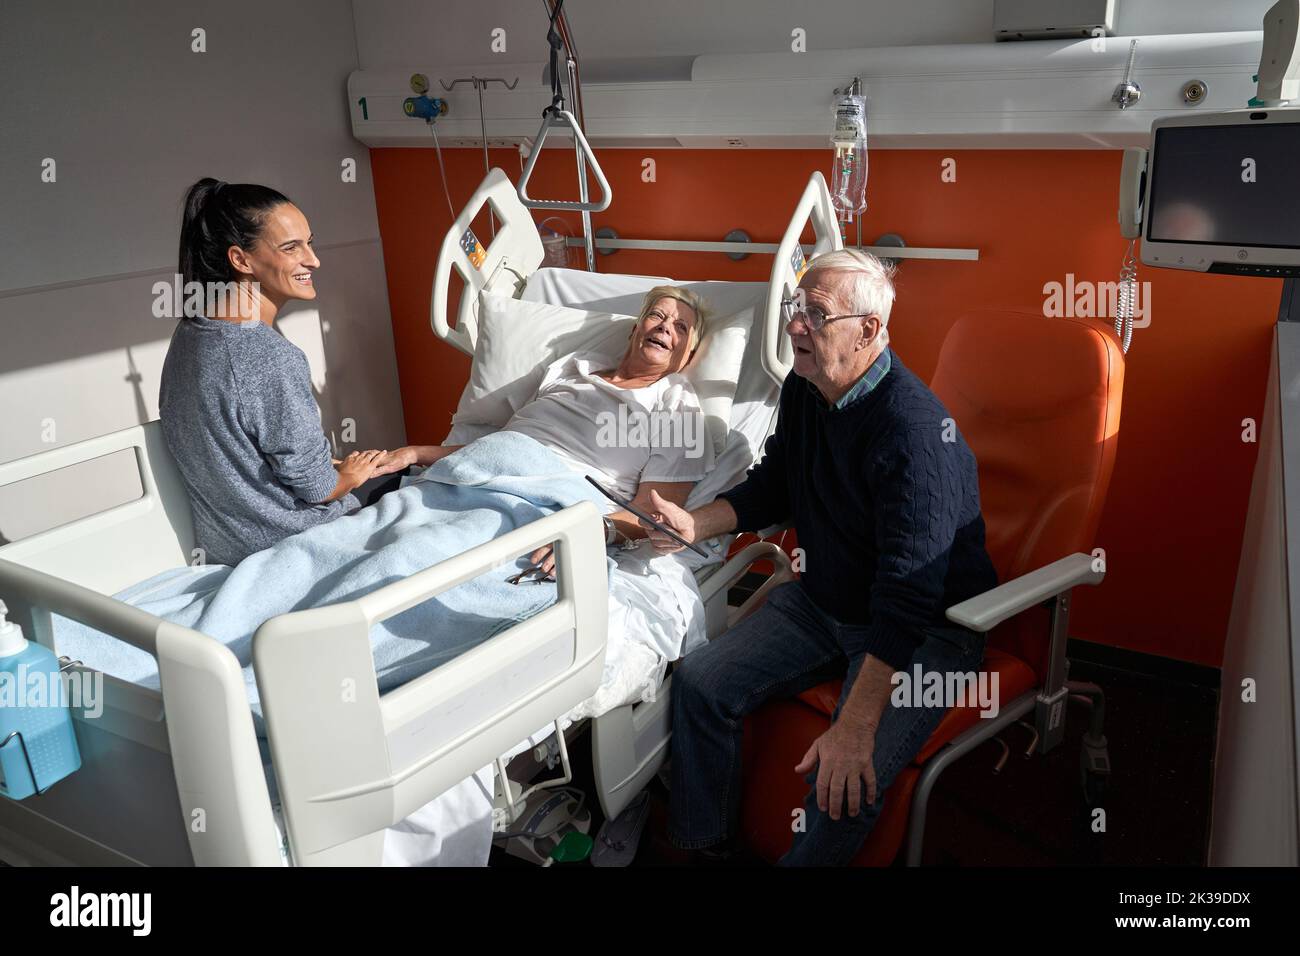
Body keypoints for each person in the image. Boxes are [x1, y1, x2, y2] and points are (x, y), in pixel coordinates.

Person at [641, 249, 999, 865]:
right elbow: (775, 484)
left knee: (839, 781)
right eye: (793, 307)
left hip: (922, 634)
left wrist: (855, 727)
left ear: (869, 331)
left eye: (815, 313)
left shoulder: (914, 436)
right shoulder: (806, 391)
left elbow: (908, 598)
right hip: (826, 601)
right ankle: (705, 848)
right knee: (701, 684)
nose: (795, 325)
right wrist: (693, 522)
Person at [380, 286, 714, 577]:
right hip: (474, 480)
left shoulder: (678, 405)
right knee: (381, 532)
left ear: (688, 356)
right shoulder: (574, 366)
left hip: (549, 506)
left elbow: (656, 512)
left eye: (681, 327)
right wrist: (415, 453)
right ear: (634, 329)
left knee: (414, 559)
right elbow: (503, 448)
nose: (665, 327)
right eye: (657, 315)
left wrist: (591, 532)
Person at [160, 178, 388, 567]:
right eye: (291, 248)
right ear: (241, 260)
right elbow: (318, 488)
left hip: (228, 547)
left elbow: (243, 449)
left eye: (309, 242)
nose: (313, 260)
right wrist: (350, 474)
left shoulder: (191, 332)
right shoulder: (269, 356)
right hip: (298, 544)